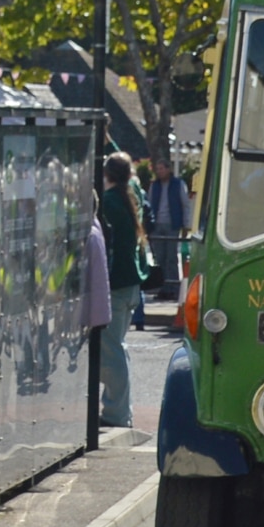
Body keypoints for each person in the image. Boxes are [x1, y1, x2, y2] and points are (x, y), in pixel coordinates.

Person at [98, 153, 149, 428]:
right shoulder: (131, 197)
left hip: (115, 286)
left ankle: (116, 413)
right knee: (118, 347)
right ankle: (119, 409)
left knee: (112, 351)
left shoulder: (109, 202)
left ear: (105, 175)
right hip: (131, 284)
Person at [145, 158, 191, 301]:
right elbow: (149, 203)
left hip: (172, 224)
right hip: (157, 225)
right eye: (157, 169)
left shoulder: (178, 184)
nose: (160, 172)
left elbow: (185, 205)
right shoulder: (155, 186)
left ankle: (174, 288)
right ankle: (163, 288)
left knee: (171, 258)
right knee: (160, 258)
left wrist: (186, 225)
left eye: (162, 169)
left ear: (168, 169)